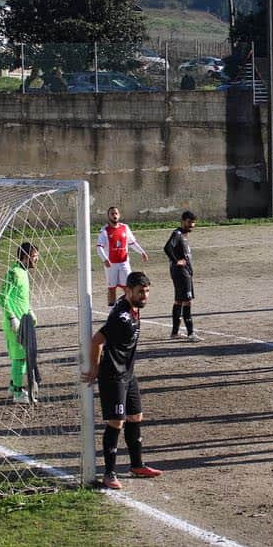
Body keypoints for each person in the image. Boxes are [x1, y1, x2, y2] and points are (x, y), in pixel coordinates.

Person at [83, 271, 161, 489]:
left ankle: (137, 465)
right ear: (128, 291)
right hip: (113, 376)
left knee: (136, 416)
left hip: (128, 373)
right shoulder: (121, 317)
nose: (144, 296)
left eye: (146, 291)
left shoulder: (134, 306)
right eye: (140, 292)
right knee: (116, 421)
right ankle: (109, 474)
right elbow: (97, 340)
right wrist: (95, 368)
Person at [0, 241, 39, 403]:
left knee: (21, 356)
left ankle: (12, 386)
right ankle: (17, 393)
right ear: (26, 256)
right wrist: (12, 318)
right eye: (35, 257)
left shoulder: (23, 272)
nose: (36, 260)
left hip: (24, 321)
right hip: (14, 323)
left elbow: (21, 298)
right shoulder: (14, 273)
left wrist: (30, 311)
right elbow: (2, 298)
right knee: (19, 358)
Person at [96, 206, 148, 307]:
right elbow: (99, 247)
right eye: (112, 214)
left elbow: (132, 243)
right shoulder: (104, 231)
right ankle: (112, 311)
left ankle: (128, 308)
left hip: (124, 263)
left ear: (119, 215)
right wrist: (105, 259)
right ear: (108, 216)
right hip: (111, 265)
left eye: (116, 213)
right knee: (112, 289)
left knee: (128, 287)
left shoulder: (125, 228)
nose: (114, 215)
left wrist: (142, 252)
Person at [164, 210, 199, 341]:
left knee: (179, 300)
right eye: (189, 222)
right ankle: (191, 333)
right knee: (187, 301)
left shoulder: (183, 235)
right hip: (181, 273)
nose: (192, 225)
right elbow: (167, 248)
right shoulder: (177, 234)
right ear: (182, 221)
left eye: (193, 223)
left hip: (183, 272)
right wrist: (176, 261)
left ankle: (174, 332)